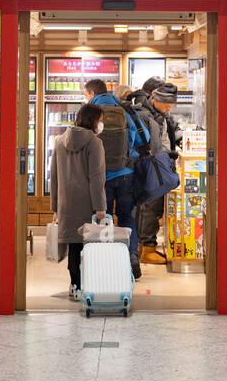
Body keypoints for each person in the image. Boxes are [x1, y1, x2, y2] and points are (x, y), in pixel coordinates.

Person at [85, 78, 147, 279]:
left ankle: (102, 263)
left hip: (99, 176)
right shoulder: (124, 110)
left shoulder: (89, 112)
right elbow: (143, 138)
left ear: (92, 94)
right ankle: (131, 257)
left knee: (101, 218)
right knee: (127, 216)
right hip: (125, 174)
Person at [48, 103, 106, 301]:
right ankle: (87, 285)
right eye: (100, 120)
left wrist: (55, 206)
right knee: (89, 246)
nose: (101, 123)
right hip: (88, 202)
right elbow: (96, 178)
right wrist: (100, 207)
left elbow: (53, 176)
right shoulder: (94, 142)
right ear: (93, 121)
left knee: (73, 246)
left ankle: (75, 285)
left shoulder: (59, 141)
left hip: (66, 202)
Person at [129, 78, 179, 264]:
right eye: (165, 105)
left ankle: (145, 247)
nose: (168, 109)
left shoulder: (158, 113)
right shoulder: (143, 114)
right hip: (147, 166)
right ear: (155, 99)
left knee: (149, 206)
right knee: (150, 206)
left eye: (170, 106)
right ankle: (147, 249)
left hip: (155, 164)